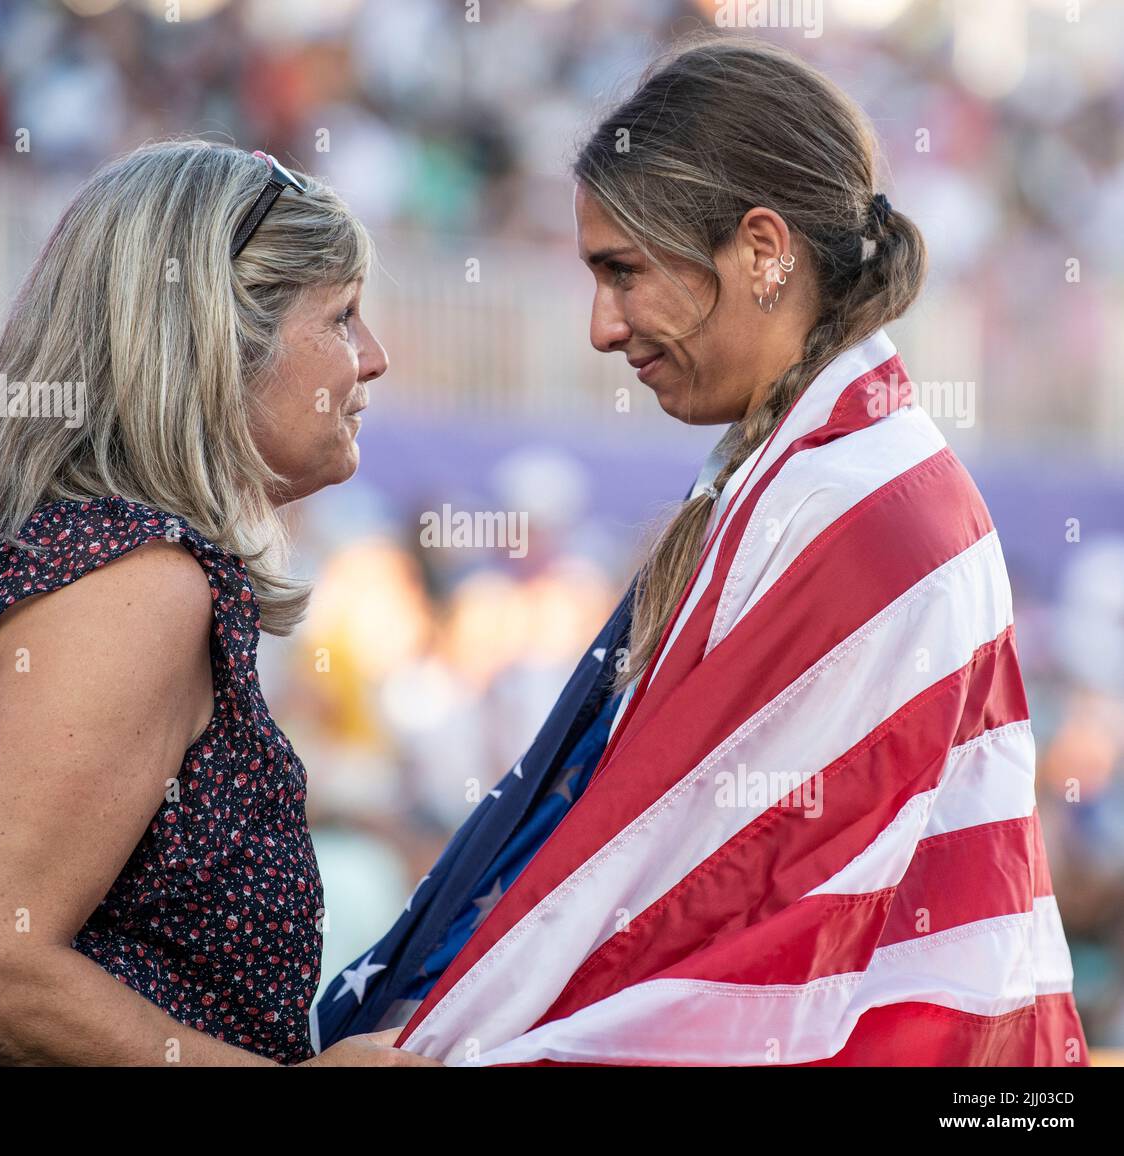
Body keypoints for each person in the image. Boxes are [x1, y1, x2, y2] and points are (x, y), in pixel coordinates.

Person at [315, 36, 1089, 1067]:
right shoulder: (810, 473)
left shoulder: (846, 505)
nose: (601, 326)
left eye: (624, 273)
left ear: (765, 249)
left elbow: (727, 936)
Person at [0, 141, 436, 1067]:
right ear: (215, 339)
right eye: (343, 317)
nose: (376, 358)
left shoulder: (59, 559)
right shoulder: (133, 583)